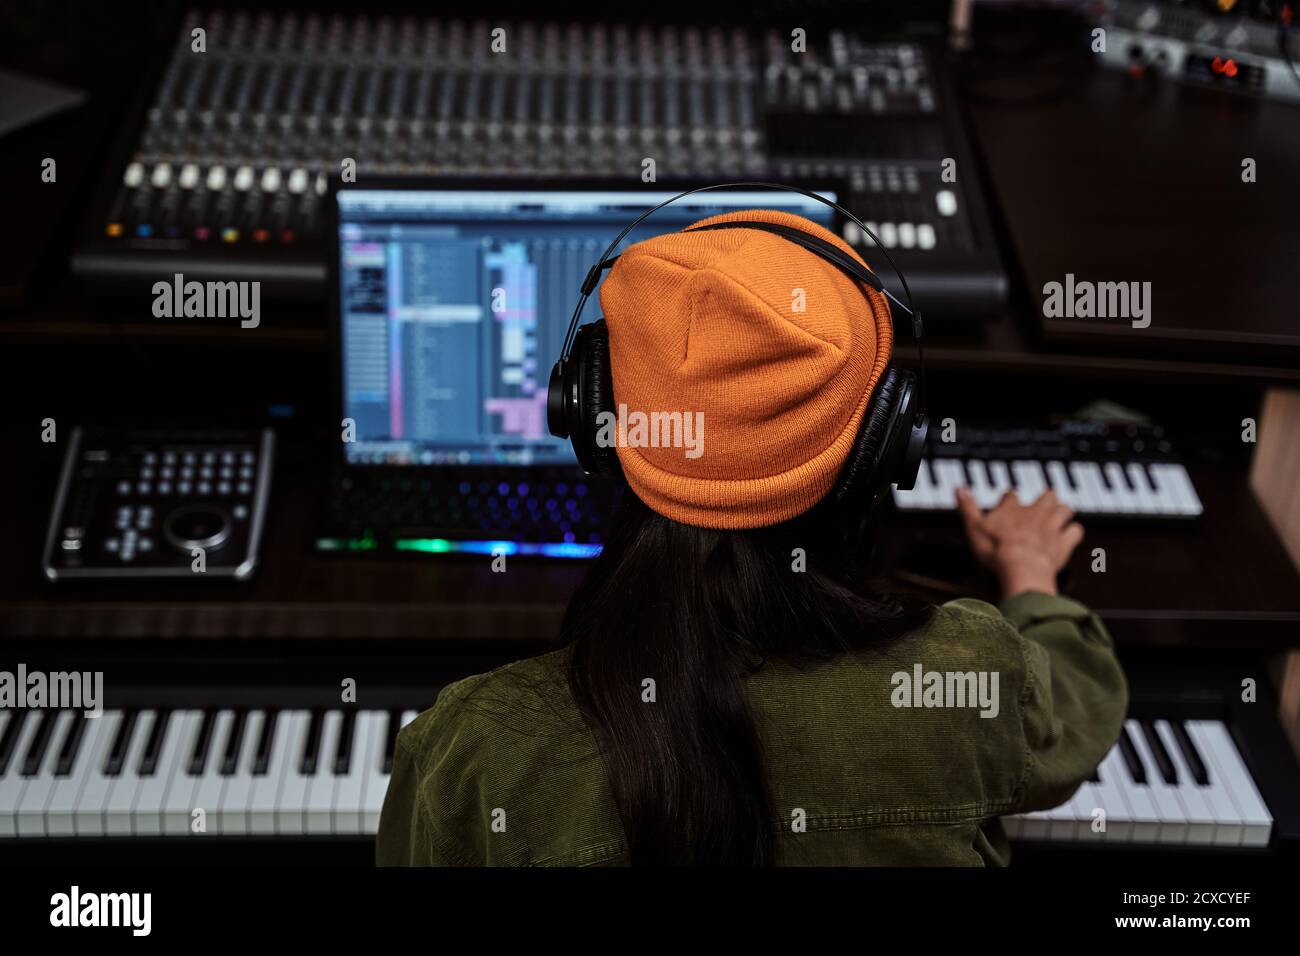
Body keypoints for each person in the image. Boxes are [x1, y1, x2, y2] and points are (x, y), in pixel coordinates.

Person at [376, 208, 1127, 866]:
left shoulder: (473, 754)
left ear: (592, 411)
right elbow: (1078, 713)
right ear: (882, 445)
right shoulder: (970, 682)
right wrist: (1031, 571)